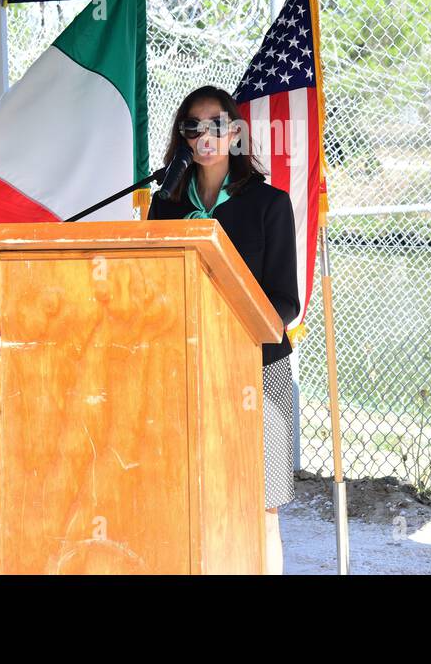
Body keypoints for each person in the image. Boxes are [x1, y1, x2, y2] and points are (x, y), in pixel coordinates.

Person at [147, 85, 299, 574]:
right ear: (184, 138)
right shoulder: (164, 207)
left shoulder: (268, 205)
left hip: (259, 372)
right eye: (193, 126)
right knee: (193, 500)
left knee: (261, 503)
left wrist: (230, 332)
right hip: (186, 369)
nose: (204, 135)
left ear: (234, 132)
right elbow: (153, 290)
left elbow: (284, 304)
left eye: (216, 124)